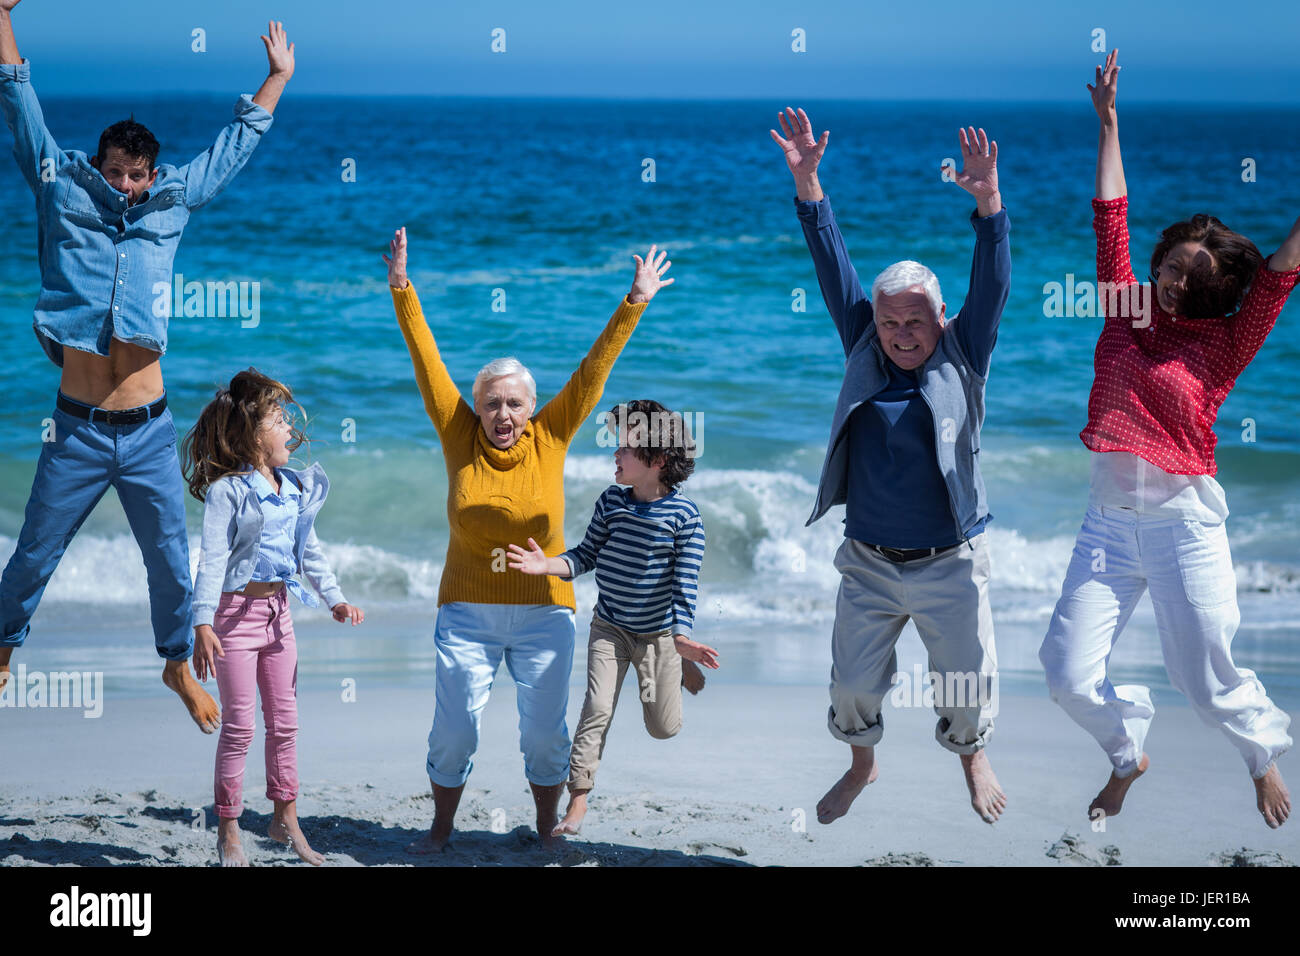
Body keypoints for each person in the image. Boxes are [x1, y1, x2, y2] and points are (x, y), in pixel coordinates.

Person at [0, 2, 295, 732]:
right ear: (95, 167)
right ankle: (3, 652)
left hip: (150, 434)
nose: (125, 186)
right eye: (114, 173)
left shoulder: (172, 201)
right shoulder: (61, 190)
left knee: (171, 561)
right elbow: (18, 101)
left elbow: (234, 146)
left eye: (135, 175)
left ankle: (173, 665)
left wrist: (276, 78)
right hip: (75, 432)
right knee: (35, 550)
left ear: (151, 172)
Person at [1038, 50, 1297, 829]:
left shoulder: (1223, 344)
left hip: (1186, 526)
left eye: (1190, 276)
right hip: (1108, 524)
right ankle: (1128, 754)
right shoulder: (1124, 307)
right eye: (1170, 265)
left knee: (1204, 679)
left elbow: (1282, 272)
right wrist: (1110, 122)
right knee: (1064, 675)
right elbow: (1109, 217)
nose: (1172, 280)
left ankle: (1262, 757)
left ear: (1214, 292)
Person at [383, 226, 674, 850]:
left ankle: (546, 826)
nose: (504, 416)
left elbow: (594, 372)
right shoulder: (458, 434)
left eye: (515, 404)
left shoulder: (552, 433)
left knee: (545, 733)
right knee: (456, 728)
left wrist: (636, 300)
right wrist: (403, 290)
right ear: (478, 407)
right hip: (466, 612)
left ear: (533, 406)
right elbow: (429, 365)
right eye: (493, 404)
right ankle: (440, 828)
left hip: (545, 613)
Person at [770, 107, 1012, 824]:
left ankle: (973, 757)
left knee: (966, 685)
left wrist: (988, 205)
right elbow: (832, 264)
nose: (902, 334)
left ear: (941, 318)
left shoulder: (964, 353)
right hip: (869, 560)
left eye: (916, 321)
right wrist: (810, 186)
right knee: (852, 686)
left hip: (950, 562)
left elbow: (992, 286)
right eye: (889, 322)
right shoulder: (862, 347)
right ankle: (862, 766)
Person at [507, 399, 718, 836]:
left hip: (660, 635)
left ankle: (678, 666)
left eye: (625, 448)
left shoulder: (685, 518)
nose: (615, 454)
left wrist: (681, 640)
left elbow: (685, 586)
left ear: (657, 460)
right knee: (597, 707)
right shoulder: (612, 502)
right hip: (609, 627)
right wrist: (547, 565)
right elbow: (586, 555)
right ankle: (578, 800)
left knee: (663, 728)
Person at [184, 369, 364, 866]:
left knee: (285, 723)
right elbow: (212, 561)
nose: (289, 430)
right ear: (254, 434)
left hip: (279, 615)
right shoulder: (227, 493)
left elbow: (311, 554)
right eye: (279, 420)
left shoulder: (293, 488)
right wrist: (202, 623)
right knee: (240, 726)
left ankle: (285, 819)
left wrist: (335, 599)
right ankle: (229, 829)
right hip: (234, 618)